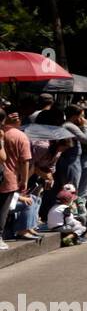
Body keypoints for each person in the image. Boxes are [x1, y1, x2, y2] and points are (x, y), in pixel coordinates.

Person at [0, 107, 33, 250]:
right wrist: (24, 180)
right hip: (8, 177)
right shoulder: (20, 136)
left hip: (5, 175)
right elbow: (25, 161)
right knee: (2, 209)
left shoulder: (4, 133)